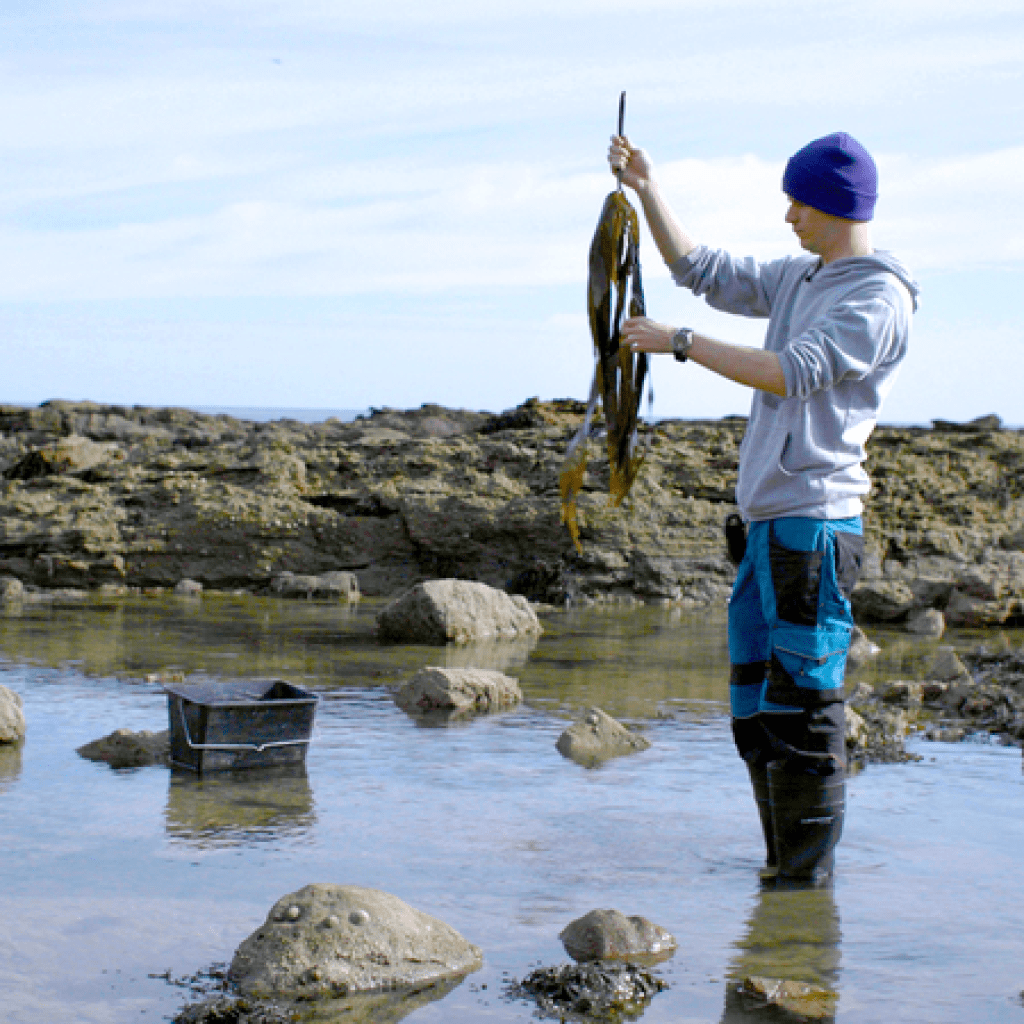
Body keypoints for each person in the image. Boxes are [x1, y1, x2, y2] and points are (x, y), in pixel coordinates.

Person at [609, 131, 918, 884]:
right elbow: (700, 270)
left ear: (837, 205)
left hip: (815, 527)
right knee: (754, 710)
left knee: (806, 711)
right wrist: (647, 187)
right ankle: (780, 886)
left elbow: (792, 372)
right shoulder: (800, 278)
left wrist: (678, 343)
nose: (787, 216)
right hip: (765, 530)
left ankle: (805, 895)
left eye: (798, 202)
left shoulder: (878, 298)